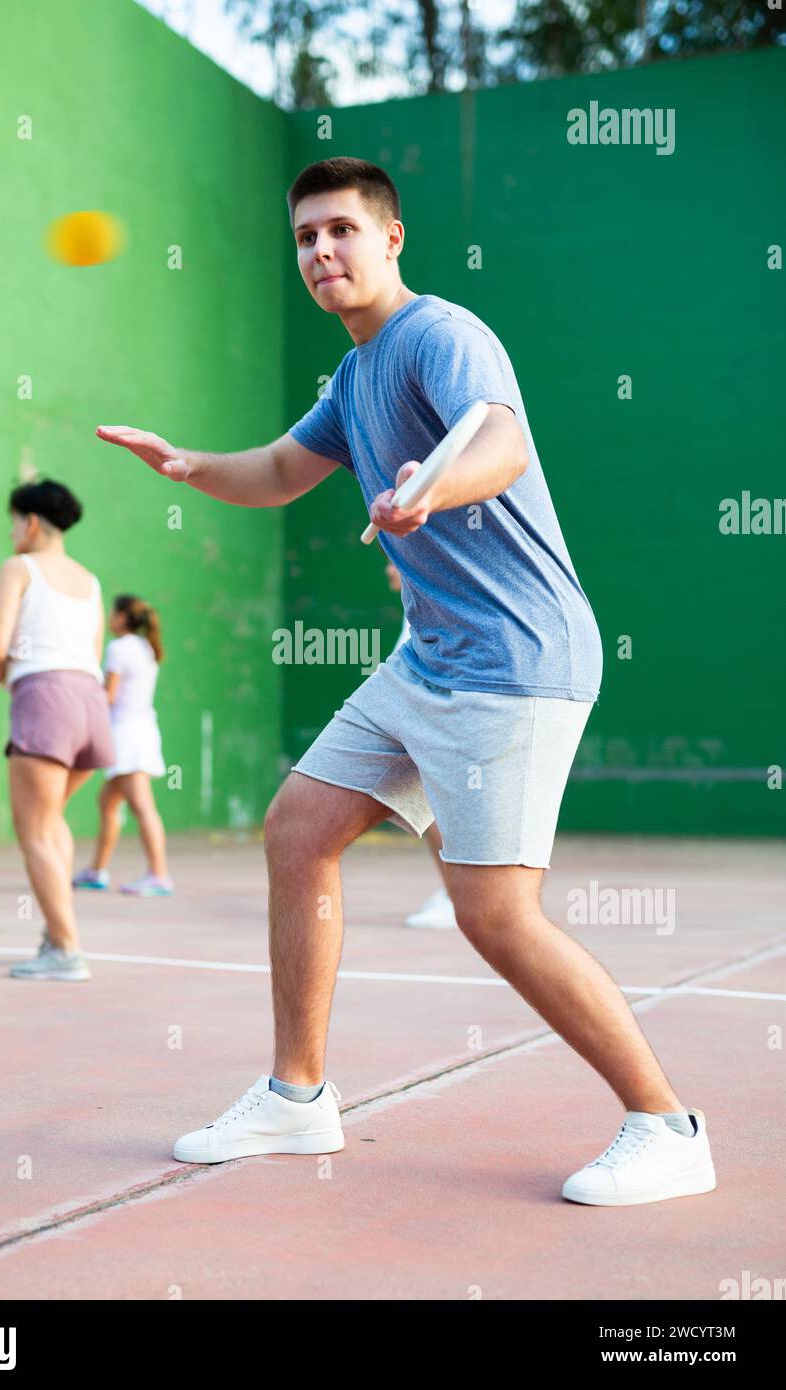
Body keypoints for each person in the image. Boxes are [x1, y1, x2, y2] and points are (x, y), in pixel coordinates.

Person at [96, 157, 715, 1206]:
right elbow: (285, 471)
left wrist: (435, 486)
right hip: (428, 659)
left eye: (341, 229)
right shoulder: (351, 379)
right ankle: (298, 1098)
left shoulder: (440, 334)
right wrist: (191, 466)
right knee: (298, 828)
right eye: (305, 238)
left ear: (391, 239)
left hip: (515, 662)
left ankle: (668, 1124)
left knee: (497, 916)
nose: (321, 252)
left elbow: (499, 440)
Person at [0, 478, 114, 983]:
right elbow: (94, 651)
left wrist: (7, 674)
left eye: (14, 521)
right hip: (89, 703)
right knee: (51, 820)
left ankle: (65, 948)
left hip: (45, 699)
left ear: (31, 522)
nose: (12, 531)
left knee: (33, 830)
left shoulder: (18, 568)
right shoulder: (91, 580)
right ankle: (56, 936)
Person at [72, 594, 173, 896]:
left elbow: (109, 696)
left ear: (121, 618)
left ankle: (159, 875)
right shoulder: (145, 648)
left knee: (142, 806)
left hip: (127, 735)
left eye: (113, 614)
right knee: (108, 802)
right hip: (140, 731)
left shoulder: (119, 648)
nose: (109, 618)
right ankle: (96, 871)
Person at [384, 558, 456, 929]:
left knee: (435, 814)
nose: (388, 571)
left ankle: (457, 898)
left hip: (432, 718)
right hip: (425, 716)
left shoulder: (427, 610)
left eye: (392, 564)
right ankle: (457, 895)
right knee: (432, 813)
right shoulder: (415, 609)